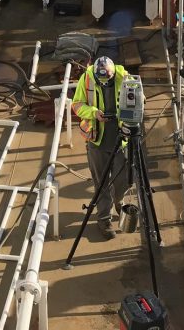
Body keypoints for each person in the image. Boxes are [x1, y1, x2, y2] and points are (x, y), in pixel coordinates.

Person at [71, 55, 132, 239]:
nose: (105, 83)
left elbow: (138, 96)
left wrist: (139, 100)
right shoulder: (87, 78)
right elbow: (77, 104)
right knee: (102, 183)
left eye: (108, 80)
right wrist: (93, 113)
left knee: (124, 179)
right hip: (97, 141)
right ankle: (104, 219)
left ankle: (118, 200)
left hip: (120, 139)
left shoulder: (124, 77)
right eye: (102, 81)